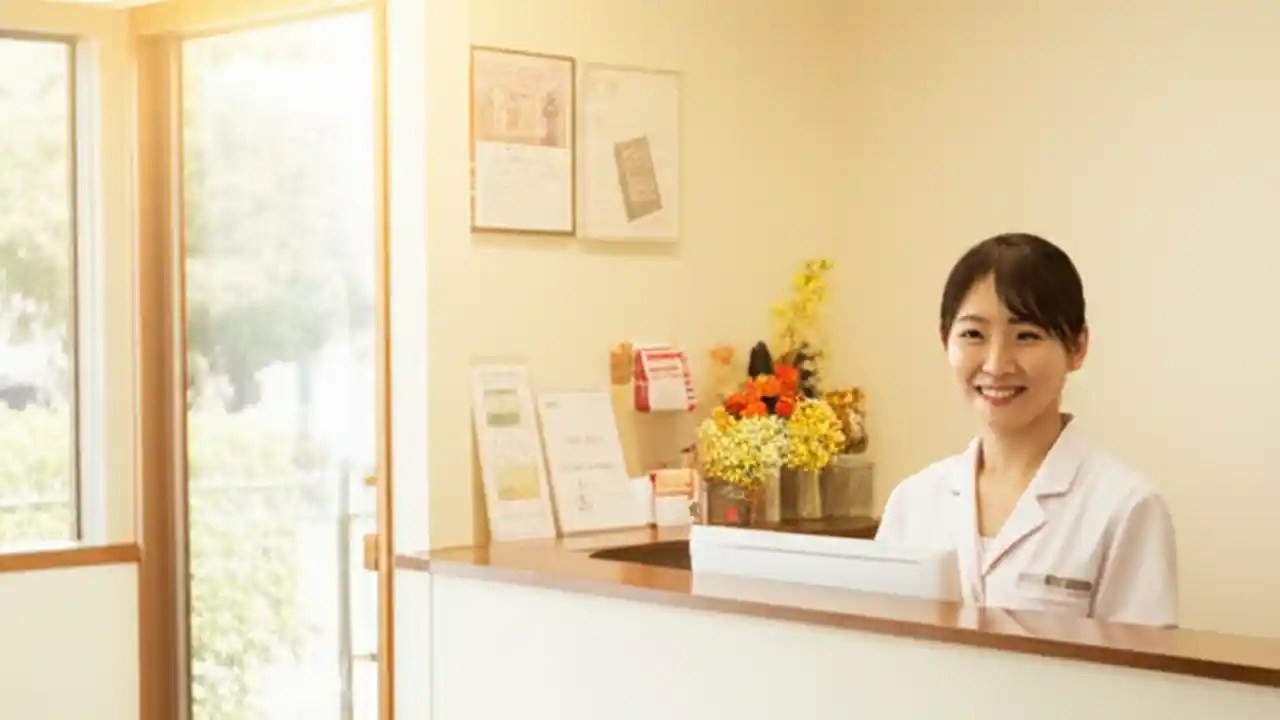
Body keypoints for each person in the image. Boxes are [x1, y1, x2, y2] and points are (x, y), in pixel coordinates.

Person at [876, 232, 1178, 627]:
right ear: (944, 340)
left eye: (1027, 336)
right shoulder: (913, 502)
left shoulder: (1127, 507)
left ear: (1077, 347)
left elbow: (1141, 679)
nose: (997, 364)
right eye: (973, 335)